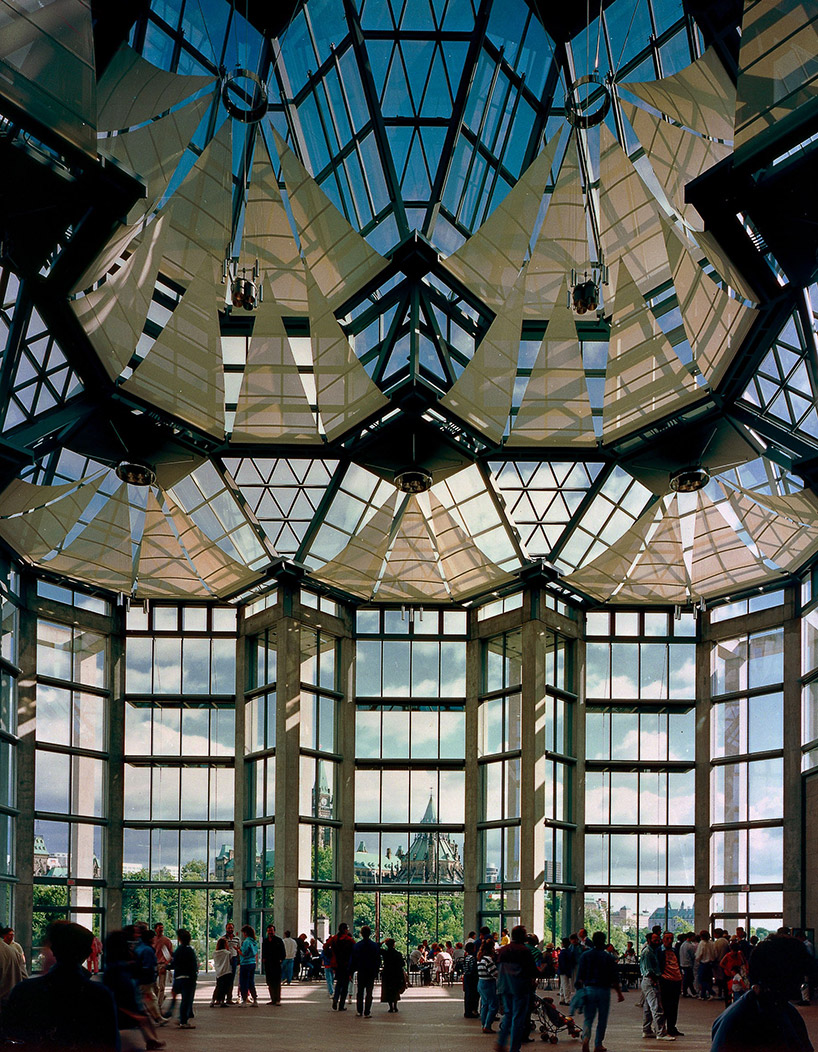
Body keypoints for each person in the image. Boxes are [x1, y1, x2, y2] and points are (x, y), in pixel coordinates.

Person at [0, 920, 120, 1051]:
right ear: (87, 953)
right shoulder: (100, 995)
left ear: (53, 949)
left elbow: (11, 1034)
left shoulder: (25, 991)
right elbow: (110, 1043)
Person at [710, 936, 813, 1052]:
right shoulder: (739, 1022)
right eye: (796, 977)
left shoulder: (784, 1009)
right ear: (779, 976)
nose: (799, 984)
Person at [101, 929, 165, 1052]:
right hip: (125, 1015)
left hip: (128, 1012)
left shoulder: (118, 966)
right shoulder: (118, 969)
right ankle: (151, 1040)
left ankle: (152, 1040)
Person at [575, 930, 624, 1052]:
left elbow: (579, 977)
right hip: (603, 990)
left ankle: (586, 1038)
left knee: (588, 1018)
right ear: (604, 942)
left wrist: (579, 992)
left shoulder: (585, 956)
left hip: (589, 989)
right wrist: (619, 993)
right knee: (602, 1019)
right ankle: (598, 1044)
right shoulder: (608, 957)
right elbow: (614, 977)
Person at [496, 925, 537, 1052]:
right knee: (518, 1018)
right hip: (520, 988)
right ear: (522, 936)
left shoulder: (503, 950)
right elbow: (532, 970)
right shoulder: (524, 951)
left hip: (504, 987)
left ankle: (501, 1042)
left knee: (508, 1015)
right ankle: (514, 1048)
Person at [640, 930, 675, 1041]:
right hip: (651, 981)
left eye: (658, 940)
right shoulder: (648, 953)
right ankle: (661, 1032)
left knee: (648, 1008)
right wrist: (654, 980)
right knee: (657, 1007)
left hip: (649, 980)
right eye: (655, 940)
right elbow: (649, 970)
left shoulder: (652, 951)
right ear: (649, 940)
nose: (657, 942)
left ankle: (647, 1030)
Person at [133, 926, 166, 1027]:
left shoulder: (139, 948)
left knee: (148, 998)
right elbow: (148, 966)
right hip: (145, 979)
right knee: (150, 999)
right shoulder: (147, 950)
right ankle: (157, 1017)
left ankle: (157, 1017)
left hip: (140, 978)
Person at [168, 928, 198, 1029]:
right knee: (186, 1000)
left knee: (180, 999)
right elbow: (193, 966)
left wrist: (166, 966)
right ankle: (183, 1021)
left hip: (179, 978)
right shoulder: (190, 950)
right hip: (188, 979)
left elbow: (174, 964)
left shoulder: (178, 950)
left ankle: (178, 1016)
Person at [349, 924, 381, 1017]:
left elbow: (353, 960)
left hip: (361, 971)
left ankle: (359, 1011)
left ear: (361, 934)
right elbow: (377, 960)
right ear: (370, 934)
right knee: (369, 992)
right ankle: (367, 1011)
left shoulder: (357, 946)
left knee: (360, 991)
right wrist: (376, 971)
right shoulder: (374, 946)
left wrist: (351, 971)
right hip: (370, 971)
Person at [659, 931, 684, 1037]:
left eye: (671, 938)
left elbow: (678, 964)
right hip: (666, 981)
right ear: (663, 939)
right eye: (667, 939)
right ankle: (663, 1028)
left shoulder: (675, 951)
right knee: (665, 1006)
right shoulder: (660, 952)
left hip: (676, 981)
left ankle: (672, 1027)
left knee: (674, 1006)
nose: (669, 941)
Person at [327, 922, 355, 1010]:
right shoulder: (349, 940)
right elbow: (355, 950)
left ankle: (335, 998)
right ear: (345, 930)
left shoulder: (334, 938)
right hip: (346, 965)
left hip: (337, 964)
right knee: (345, 985)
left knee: (339, 983)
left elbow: (325, 946)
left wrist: (331, 955)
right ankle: (341, 1005)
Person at [477, 937, 499, 1033]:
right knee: (493, 1005)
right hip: (488, 983)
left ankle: (484, 1024)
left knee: (484, 1005)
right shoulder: (488, 960)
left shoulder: (480, 959)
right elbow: (495, 973)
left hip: (481, 982)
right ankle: (488, 1025)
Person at [261, 923, 285, 1005]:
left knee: (277, 982)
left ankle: (277, 999)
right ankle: (273, 999)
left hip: (276, 964)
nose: (270, 932)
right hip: (268, 965)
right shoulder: (265, 941)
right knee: (270, 982)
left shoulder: (279, 940)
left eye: (271, 930)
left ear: (274, 931)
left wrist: (281, 959)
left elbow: (283, 952)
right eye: (268, 931)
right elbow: (263, 952)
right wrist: (263, 959)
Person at [379, 937, 405, 1012]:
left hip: (387, 973)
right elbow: (402, 964)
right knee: (395, 989)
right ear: (394, 944)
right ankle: (395, 1006)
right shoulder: (398, 954)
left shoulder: (385, 953)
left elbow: (377, 948)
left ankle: (390, 1007)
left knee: (388, 990)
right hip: (396, 973)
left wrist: (382, 942)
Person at [152, 923, 173, 1007]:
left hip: (162, 964)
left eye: (162, 928)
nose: (161, 929)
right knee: (153, 984)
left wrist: (166, 964)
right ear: (155, 929)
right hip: (154, 964)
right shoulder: (153, 940)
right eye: (159, 928)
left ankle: (159, 1004)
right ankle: (160, 997)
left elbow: (171, 953)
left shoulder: (166, 940)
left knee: (162, 985)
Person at [695, 930, 719, 1000]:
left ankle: (710, 992)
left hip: (703, 963)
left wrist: (697, 959)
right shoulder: (712, 943)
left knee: (701, 980)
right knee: (709, 979)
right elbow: (715, 954)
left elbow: (699, 954)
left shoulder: (701, 943)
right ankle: (703, 995)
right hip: (710, 964)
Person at [238, 924, 259, 1005]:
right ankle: (255, 999)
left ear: (245, 933)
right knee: (251, 982)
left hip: (245, 963)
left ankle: (244, 1000)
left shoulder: (246, 942)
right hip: (252, 963)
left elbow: (244, 953)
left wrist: (238, 950)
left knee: (244, 982)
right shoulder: (254, 941)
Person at [211, 936, 232, 1006]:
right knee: (225, 988)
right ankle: (222, 1001)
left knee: (218, 987)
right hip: (226, 971)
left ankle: (213, 1001)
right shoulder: (227, 953)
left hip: (219, 972)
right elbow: (231, 961)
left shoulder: (215, 953)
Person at [224, 921, 241, 1002]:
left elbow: (239, 949)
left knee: (231, 979)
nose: (230, 929)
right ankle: (222, 997)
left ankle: (229, 998)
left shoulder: (237, 939)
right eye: (228, 928)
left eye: (231, 928)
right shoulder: (223, 939)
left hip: (234, 959)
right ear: (226, 929)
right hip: (226, 960)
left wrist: (239, 960)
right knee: (225, 978)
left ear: (233, 929)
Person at [462, 939, 479, 1017]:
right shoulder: (473, 958)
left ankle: (467, 1011)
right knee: (473, 995)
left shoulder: (466, 958)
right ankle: (473, 1011)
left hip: (466, 977)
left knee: (468, 995)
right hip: (472, 978)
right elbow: (473, 969)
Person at [679, 932, 697, 998]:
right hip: (688, 964)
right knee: (688, 979)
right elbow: (692, 955)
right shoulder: (690, 946)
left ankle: (690, 991)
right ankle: (687, 992)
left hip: (683, 963)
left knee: (687, 978)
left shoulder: (683, 944)